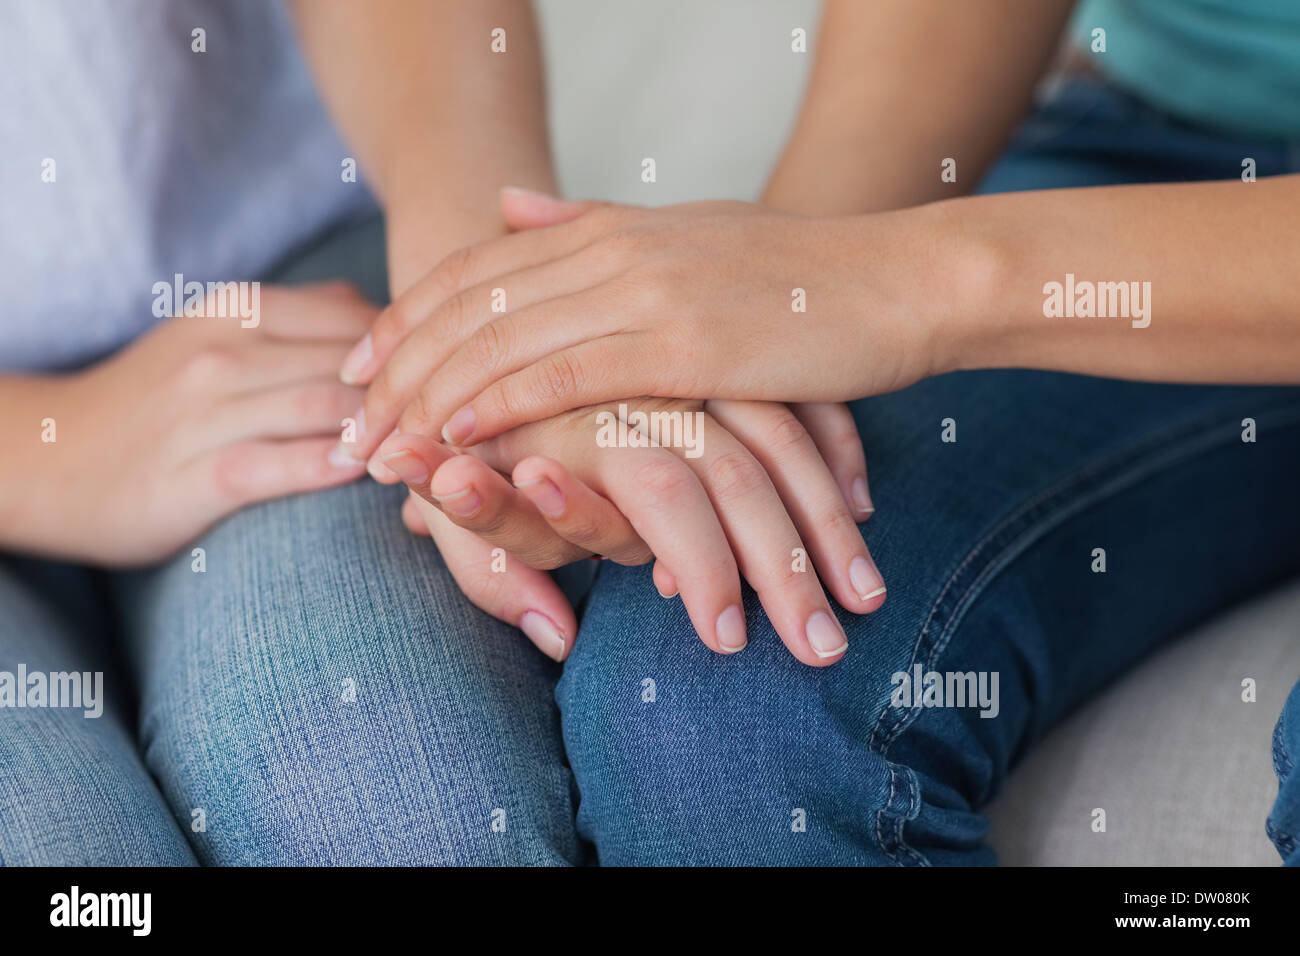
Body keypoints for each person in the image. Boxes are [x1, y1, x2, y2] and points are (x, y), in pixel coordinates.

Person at [1, 0, 1297, 867]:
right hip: (1152, 145)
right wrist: (774, 308)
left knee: (417, 819)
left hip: (287, 284)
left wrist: (897, 283)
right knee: (704, 695)